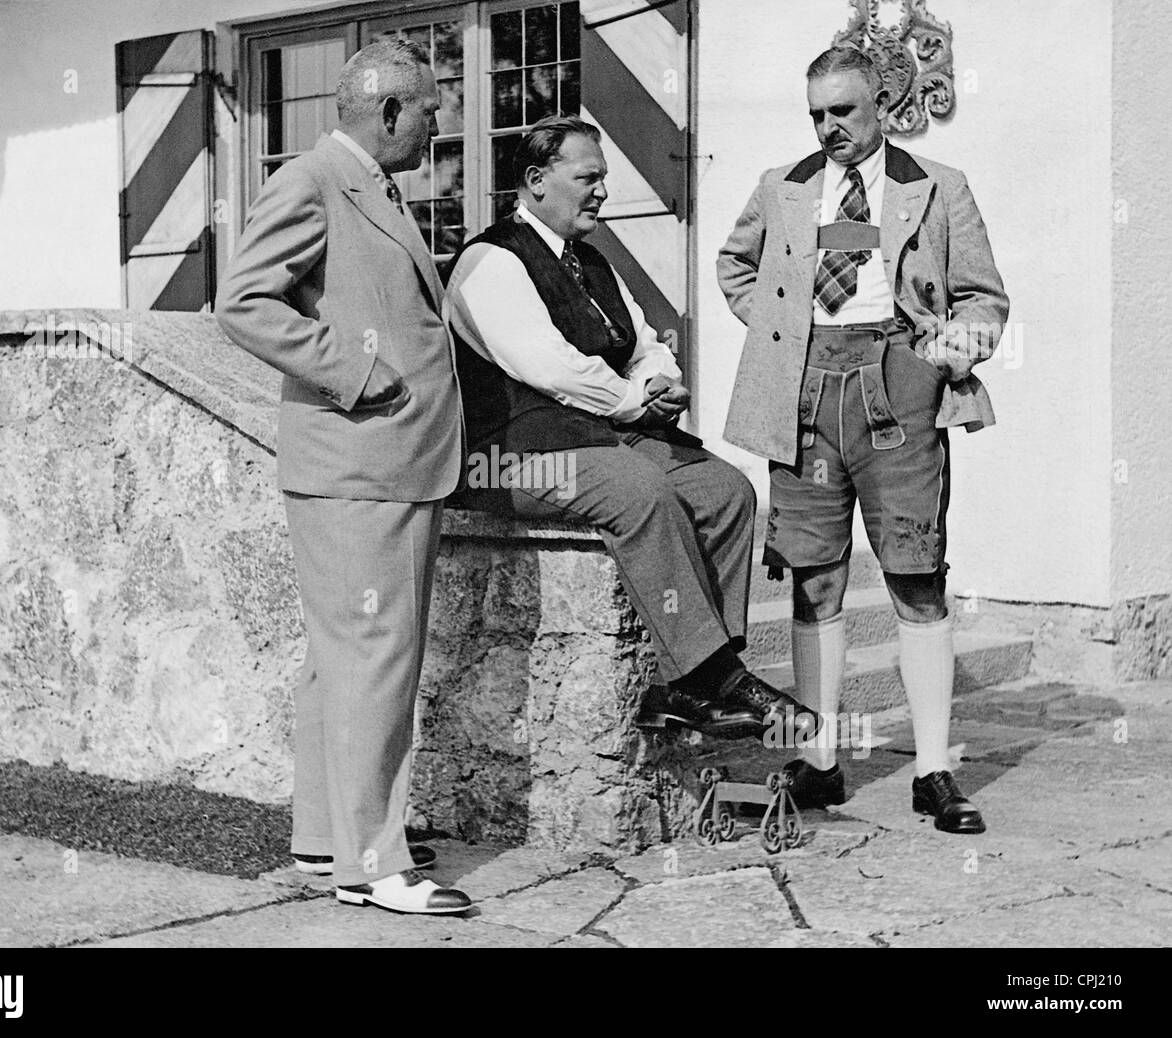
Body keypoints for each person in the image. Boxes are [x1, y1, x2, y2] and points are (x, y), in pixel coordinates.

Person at [444, 115, 820, 743]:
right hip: (509, 453)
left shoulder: (590, 260)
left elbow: (644, 342)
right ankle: (718, 680)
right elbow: (546, 365)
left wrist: (654, 381)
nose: (601, 192)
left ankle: (691, 683)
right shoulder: (490, 260)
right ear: (536, 181)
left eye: (604, 178)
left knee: (724, 490)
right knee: (639, 489)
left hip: (598, 436)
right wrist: (631, 401)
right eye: (587, 177)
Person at [716, 46, 1010, 833]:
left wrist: (950, 349)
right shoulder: (784, 188)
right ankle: (819, 763)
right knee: (813, 580)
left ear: (880, 102)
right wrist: (779, 332)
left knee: (916, 576)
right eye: (816, 114)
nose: (828, 128)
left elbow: (984, 298)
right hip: (805, 393)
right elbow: (734, 266)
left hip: (900, 388)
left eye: (842, 111)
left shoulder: (937, 188)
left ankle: (935, 770)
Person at [215, 39, 472, 914]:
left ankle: (330, 842)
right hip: (362, 459)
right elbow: (244, 300)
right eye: (430, 108)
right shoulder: (316, 177)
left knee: (342, 665)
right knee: (376, 661)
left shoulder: (368, 183)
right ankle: (378, 865)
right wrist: (358, 373)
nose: (441, 123)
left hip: (377, 462)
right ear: (387, 109)